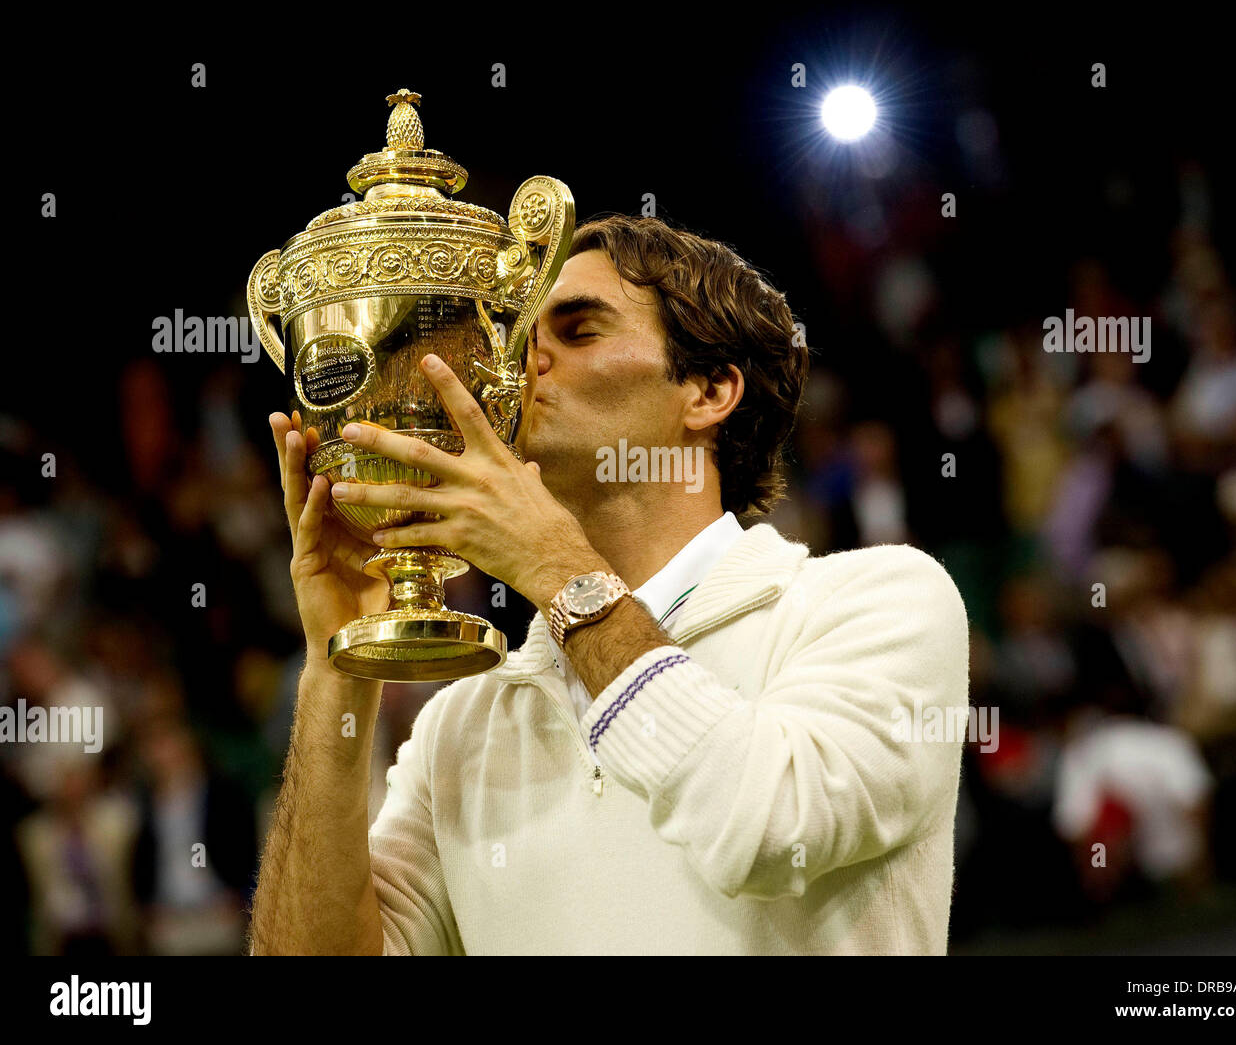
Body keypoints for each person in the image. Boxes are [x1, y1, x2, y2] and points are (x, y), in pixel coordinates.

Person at [249, 215, 969, 955]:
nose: (524, 364)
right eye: (522, 336)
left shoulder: (877, 601)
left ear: (710, 389)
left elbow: (766, 831)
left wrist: (557, 569)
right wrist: (338, 661)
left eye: (578, 329)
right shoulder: (459, 726)